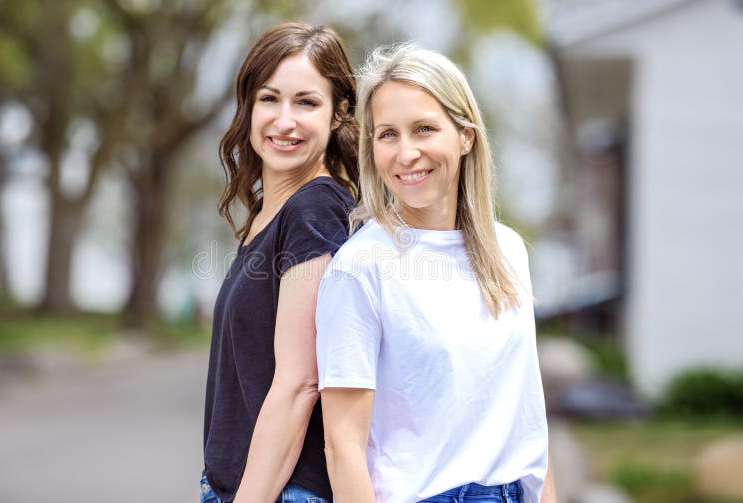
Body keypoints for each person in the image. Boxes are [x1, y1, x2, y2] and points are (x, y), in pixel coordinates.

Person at [315, 44, 557, 503]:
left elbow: (528, 417)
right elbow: (342, 447)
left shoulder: (507, 250)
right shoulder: (360, 267)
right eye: (387, 135)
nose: (406, 153)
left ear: (465, 135)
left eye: (424, 129)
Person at [200, 22, 358, 503]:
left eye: (306, 102)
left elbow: (300, 383)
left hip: (281, 491)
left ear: (338, 114)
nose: (284, 120)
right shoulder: (271, 212)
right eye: (269, 99)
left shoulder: (315, 207)